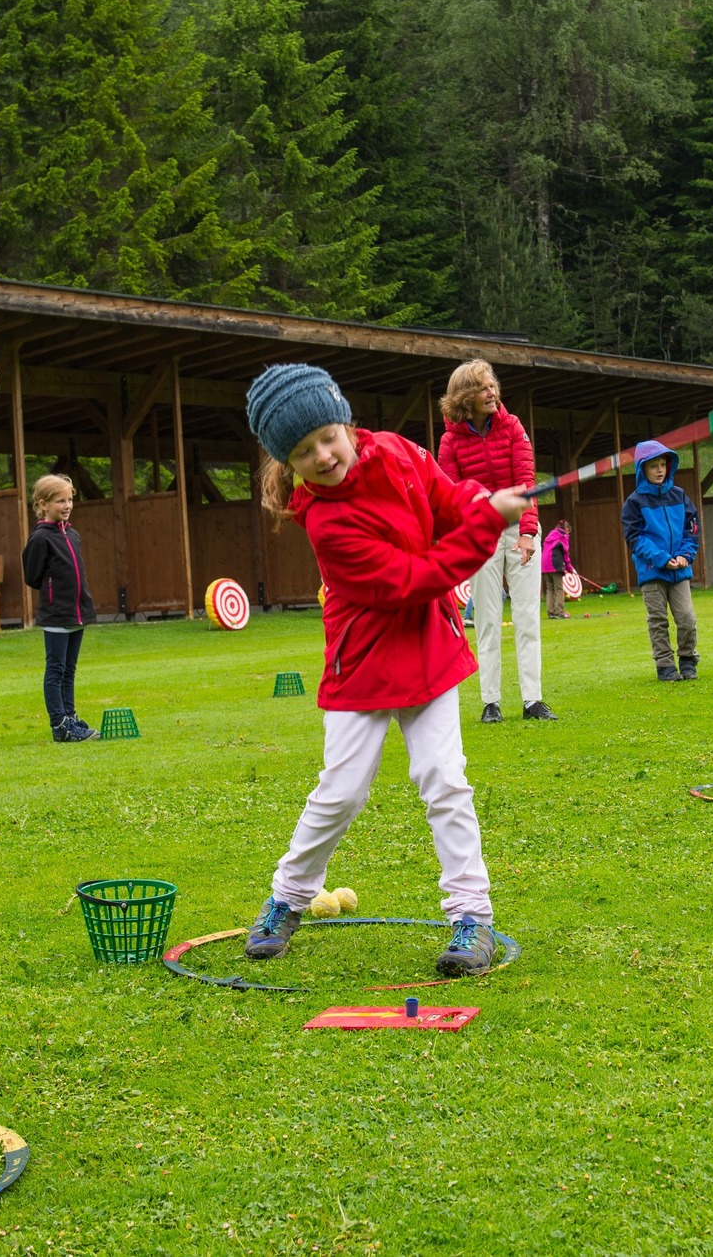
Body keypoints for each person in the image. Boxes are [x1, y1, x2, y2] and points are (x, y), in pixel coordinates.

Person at [242, 363, 523, 977]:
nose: (322, 455)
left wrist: (479, 502)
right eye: (302, 451)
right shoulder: (326, 522)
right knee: (341, 793)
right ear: (287, 463)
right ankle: (287, 898)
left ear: (343, 419)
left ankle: (472, 915)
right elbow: (410, 579)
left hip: (428, 646)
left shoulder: (397, 451)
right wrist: (484, 528)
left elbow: (448, 501)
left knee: (445, 780)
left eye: (326, 437)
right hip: (364, 660)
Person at [437, 360, 554, 722]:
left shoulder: (513, 427)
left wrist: (529, 533)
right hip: (480, 533)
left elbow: (527, 480)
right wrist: (474, 531)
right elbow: (450, 495)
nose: (492, 392)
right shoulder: (450, 441)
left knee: (526, 619)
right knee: (486, 619)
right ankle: (491, 702)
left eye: (493, 385)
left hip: (519, 529)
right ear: (465, 396)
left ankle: (533, 700)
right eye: (483, 387)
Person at [22, 474, 98, 742]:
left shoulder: (73, 534)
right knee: (55, 669)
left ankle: (72, 718)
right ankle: (60, 725)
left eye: (70, 499)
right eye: (60, 501)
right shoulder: (41, 538)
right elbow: (32, 575)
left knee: (70, 669)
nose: (67, 505)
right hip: (56, 613)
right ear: (43, 504)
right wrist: (53, 589)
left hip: (77, 612)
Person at [621, 441, 700, 682]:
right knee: (658, 620)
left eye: (662, 464)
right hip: (652, 572)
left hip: (680, 570)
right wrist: (663, 559)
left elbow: (692, 529)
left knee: (686, 617)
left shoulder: (680, 496)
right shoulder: (634, 503)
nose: (659, 470)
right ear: (642, 469)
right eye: (653, 465)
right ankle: (665, 665)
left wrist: (685, 555)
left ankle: (687, 660)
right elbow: (634, 539)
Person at [541, 519, 573, 618]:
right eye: (568, 531)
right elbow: (566, 554)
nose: (568, 534)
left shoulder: (550, 535)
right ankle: (559, 612)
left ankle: (551, 613)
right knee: (559, 588)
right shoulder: (563, 537)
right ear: (566, 529)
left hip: (544, 566)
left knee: (550, 589)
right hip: (555, 565)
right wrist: (569, 568)